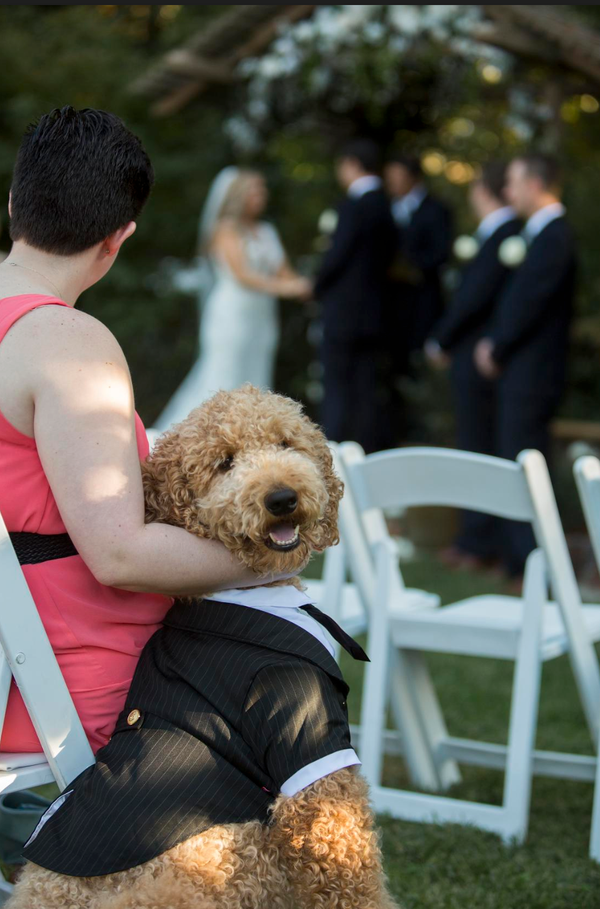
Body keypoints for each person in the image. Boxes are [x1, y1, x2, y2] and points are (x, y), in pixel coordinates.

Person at [0, 107, 290, 754]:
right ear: (118, 238)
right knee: (290, 664)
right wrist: (276, 558)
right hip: (53, 685)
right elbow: (120, 556)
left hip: (15, 664)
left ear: (14, 202)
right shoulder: (67, 344)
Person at [474, 153, 577, 578]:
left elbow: (530, 302)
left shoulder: (554, 236)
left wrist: (497, 346)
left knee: (524, 464)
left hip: (533, 373)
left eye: (514, 183)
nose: (508, 192)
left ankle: (531, 564)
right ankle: (523, 558)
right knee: (517, 460)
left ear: (535, 185)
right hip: (525, 371)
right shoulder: (540, 234)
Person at [155, 168, 310, 431]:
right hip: (232, 313)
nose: (262, 195)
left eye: (262, 189)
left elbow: (285, 271)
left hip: (262, 315)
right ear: (238, 196)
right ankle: (200, 436)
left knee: (257, 374)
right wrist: (287, 288)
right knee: (223, 376)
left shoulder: (267, 231)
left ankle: (248, 434)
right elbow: (243, 275)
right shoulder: (224, 230)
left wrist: (304, 284)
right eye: (255, 190)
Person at [426, 161, 521, 570]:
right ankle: (478, 538)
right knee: (478, 444)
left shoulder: (505, 234)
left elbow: (474, 297)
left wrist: (441, 338)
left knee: (476, 446)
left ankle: (479, 541)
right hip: (481, 357)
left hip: (476, 357)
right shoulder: (502, 235)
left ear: (484, 190)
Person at [315, 139, 398, 453]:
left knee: (336, 386)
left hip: (344, 313)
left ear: (351, 164)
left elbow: (338, 256)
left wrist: (317, 285)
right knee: (366, 389)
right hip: (375, 313)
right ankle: (366, 453)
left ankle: (333, 453)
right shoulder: (388, 204)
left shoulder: (353, 205)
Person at [385, 153, 453, 364]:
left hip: (422, 300)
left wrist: (411, 268)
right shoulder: (385, 208)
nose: (392, 182)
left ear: (414, 177)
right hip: (390, 302)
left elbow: (441, 252)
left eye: (398, 176)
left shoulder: (436, 209)